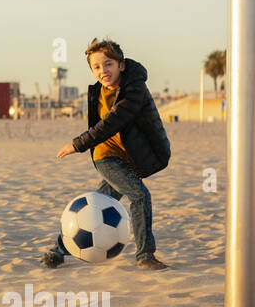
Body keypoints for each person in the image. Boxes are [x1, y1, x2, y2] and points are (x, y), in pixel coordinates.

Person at [41, 38, 170, 270]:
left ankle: (59, 250)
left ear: (121, 65)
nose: (103, 71)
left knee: (96, 205)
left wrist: (77, 144)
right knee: (140, 196)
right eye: (96, 67)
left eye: (108, 64)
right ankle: (145, 256)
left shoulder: (135, 88)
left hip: (129, 156)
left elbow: (115, 120)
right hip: (106, 156)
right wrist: (81, 145)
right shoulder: (97, 91)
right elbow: (105, 127)